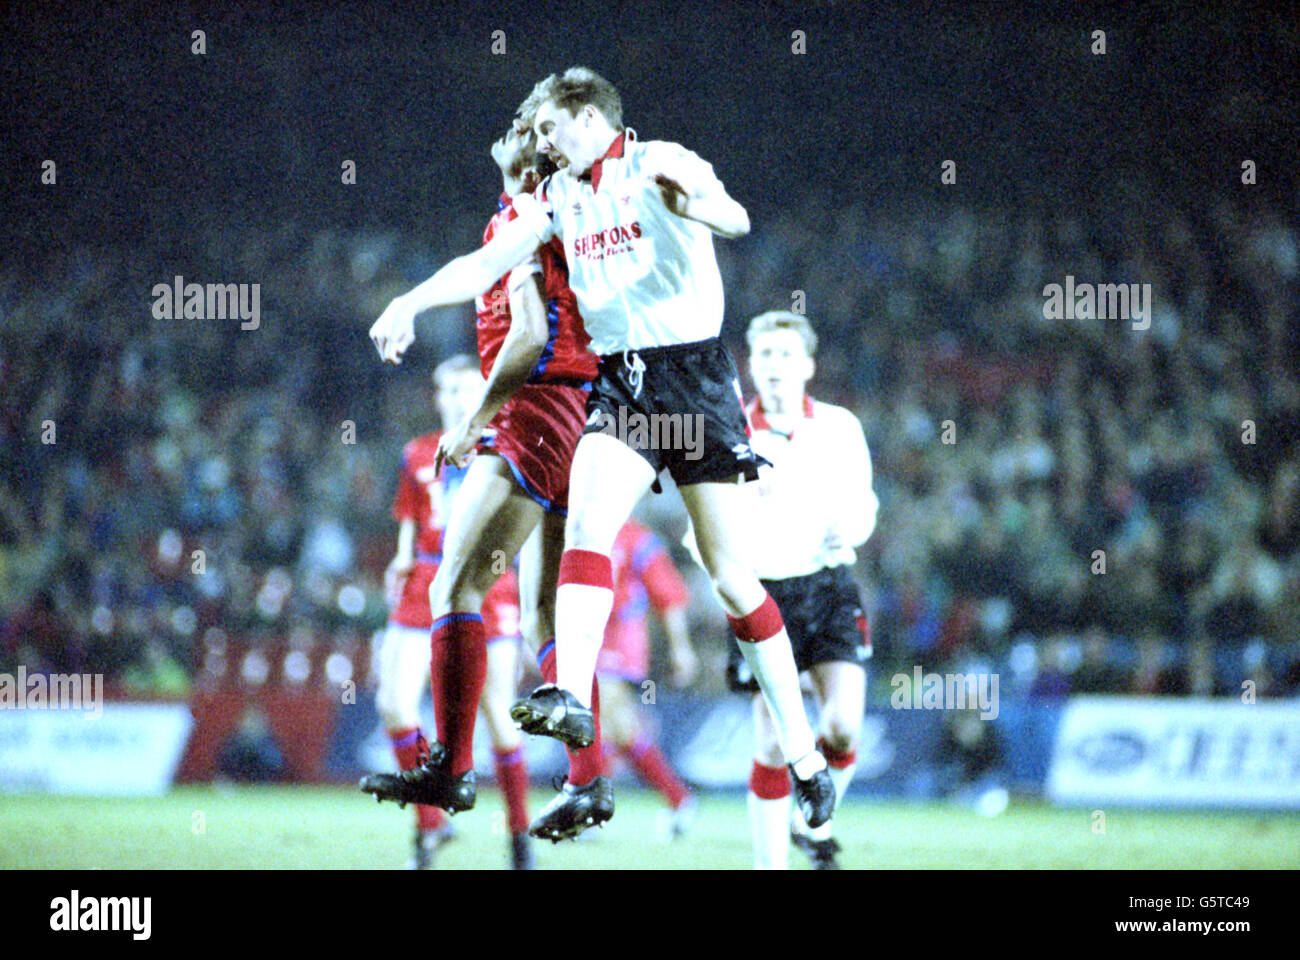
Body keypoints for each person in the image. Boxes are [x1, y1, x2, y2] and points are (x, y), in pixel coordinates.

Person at [369, 68, 835, 838]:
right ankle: (570, 699)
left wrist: (704, 207)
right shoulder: (559, 198)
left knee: (729, 574)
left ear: (588, 117)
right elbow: (482, 266)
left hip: (695, 384)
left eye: (552, 129)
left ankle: (805, 756)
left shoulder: (661, 163)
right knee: (586, 524)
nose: (543, 144)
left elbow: (737, 216)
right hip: (622, 388)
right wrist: (409, 301)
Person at [361, 113, 608, 838]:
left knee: (452, 584)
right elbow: (479, 275)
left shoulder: (532, 212)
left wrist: (474, 421)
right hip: (577, 413)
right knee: (544, 617)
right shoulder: (527, 213)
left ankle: (451, 768)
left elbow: (530, 335)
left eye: (526, 123)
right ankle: (589, 781)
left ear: (538, 151)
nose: (508, 127)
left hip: (537, 409)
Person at [722, 310, 877, 870]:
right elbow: (703, 528)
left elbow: (865, 504)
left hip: (830, 586)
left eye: (787, 355)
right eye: (765, 354)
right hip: (763, 596)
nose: (775, 366)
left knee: (841, 726)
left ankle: (809, 820)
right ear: (752, 365)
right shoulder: (730, 430)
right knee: (772, 741)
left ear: (808, 366)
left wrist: (852, 527)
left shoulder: (839, 426)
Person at [370, 355, 533, 869]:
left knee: (498, 716)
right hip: (424, 581)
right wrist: (400, 558)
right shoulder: (418, 453)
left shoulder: (504, 447)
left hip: (487, 584)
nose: (458, 399)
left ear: (484, 390)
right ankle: (429, 826)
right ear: (437, 397)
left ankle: (519, 835)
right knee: (395, 705)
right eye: (448, 390)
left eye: (468, 388)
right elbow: (410, 518)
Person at [589, 518, 698, 840]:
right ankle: (679, 798)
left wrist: (681, 647)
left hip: (622, 633)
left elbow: (668, 595)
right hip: (586, 634)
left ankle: (593, 811)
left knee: (600, 713)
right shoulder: (577, 525)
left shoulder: (637, 537)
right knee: (619, 727)